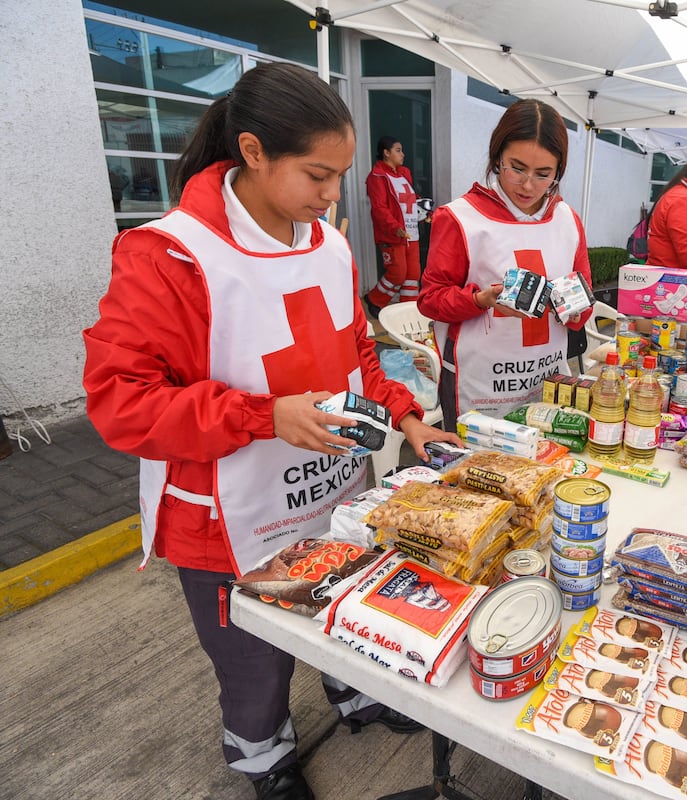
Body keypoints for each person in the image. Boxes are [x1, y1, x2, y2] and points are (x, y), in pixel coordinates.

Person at [82, 63, 463, 800]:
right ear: (253, 152)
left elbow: (353, 350)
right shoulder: (166, 254)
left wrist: (410, 416)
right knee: (252, 654)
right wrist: (264, 416)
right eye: (318, 175)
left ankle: (352, 692)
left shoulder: (324, 242)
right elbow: (119, 403)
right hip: (226, 517)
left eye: (341, 175)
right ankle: (263, 755)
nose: (332, 196)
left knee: (346, 599)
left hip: (332, 488)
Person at [418, 99, 593, 428]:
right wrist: (479, 300)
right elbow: (430, 300)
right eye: (517, 168)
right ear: (497, 157)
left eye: (544, 175)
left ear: (559, 171)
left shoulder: (567, 220)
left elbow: (583, 308)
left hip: (547, 381)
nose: (528, 185)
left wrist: (571, 305)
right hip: (481, 387)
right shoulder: (460, 218)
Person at [362, 136, 423, 317]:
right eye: (398, 150)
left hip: (412, 234)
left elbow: (411, 199)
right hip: (393, 235)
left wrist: (424, 210)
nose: (402, 154)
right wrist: (395, 228)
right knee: (397, 273)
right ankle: (374, 299)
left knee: (413, 275)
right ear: (386, 153)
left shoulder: (404, 173)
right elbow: (379, 208)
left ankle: (407, 313)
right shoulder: (377, 177)